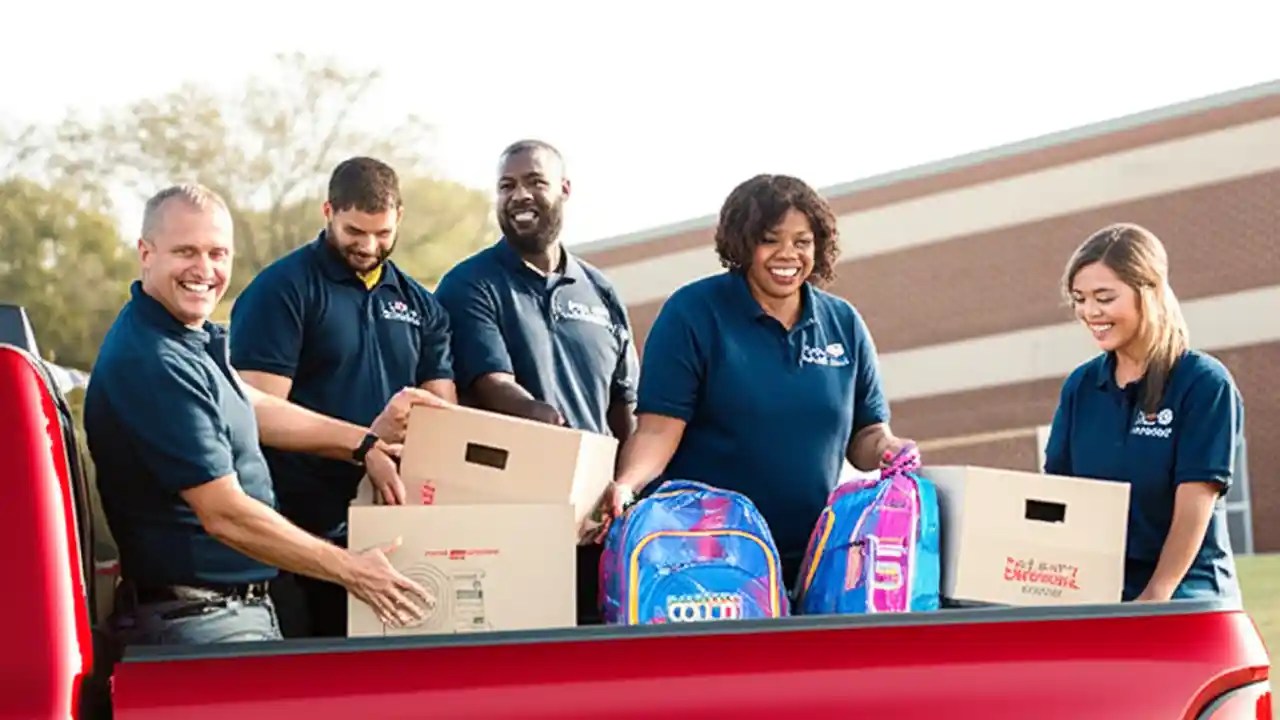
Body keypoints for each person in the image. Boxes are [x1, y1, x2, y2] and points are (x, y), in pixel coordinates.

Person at [85, 183, 434, 646]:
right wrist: (353, 570)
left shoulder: (187, 337)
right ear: (146, 253)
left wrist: (364, 443)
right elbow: (225, 514)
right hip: (200, 621)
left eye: (217, 253)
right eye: (186, 251)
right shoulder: (153, 361)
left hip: (230, 609)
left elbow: (253, 403)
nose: (204, 270)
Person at [604, 173, 916, 592]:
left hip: (816, 562)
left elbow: (865, 436)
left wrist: (887, 448)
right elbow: (660, 429)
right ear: (743, 243)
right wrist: (627, 485)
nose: (788, 254)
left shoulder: (843, 324)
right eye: (771, 239)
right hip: (708, 559)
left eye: (802, 242)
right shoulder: (694, 313)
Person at [228, 157, 457, 638]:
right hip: (299, 534)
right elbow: (256, 415)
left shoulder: (422, 305)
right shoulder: (282, 289)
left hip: (390, 531)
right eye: (355, 231)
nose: (369, 246)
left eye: (382, 233)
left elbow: (445, 418)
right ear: (327, 211)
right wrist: (365, 444)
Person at [433, 139, 639, 625]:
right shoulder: (470, 284)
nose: (519, 195)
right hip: (510, 527)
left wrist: (625, 488)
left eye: (534, 182)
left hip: (597, 528)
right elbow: (490, 383)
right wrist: (547, 424)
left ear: (564, 189)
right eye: (507, 186)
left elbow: (623, 406)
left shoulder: (600, 291)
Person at [1043, 222, 1243, 603]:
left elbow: (1193, 509)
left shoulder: (1203, 383)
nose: (1090, 312)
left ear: (1148, 292)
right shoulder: (1081, 387)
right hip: (1102, 594)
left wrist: (1154, 597)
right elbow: (1060, 497)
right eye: (1079, 299)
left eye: (1104, 297)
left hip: (1185, 595)